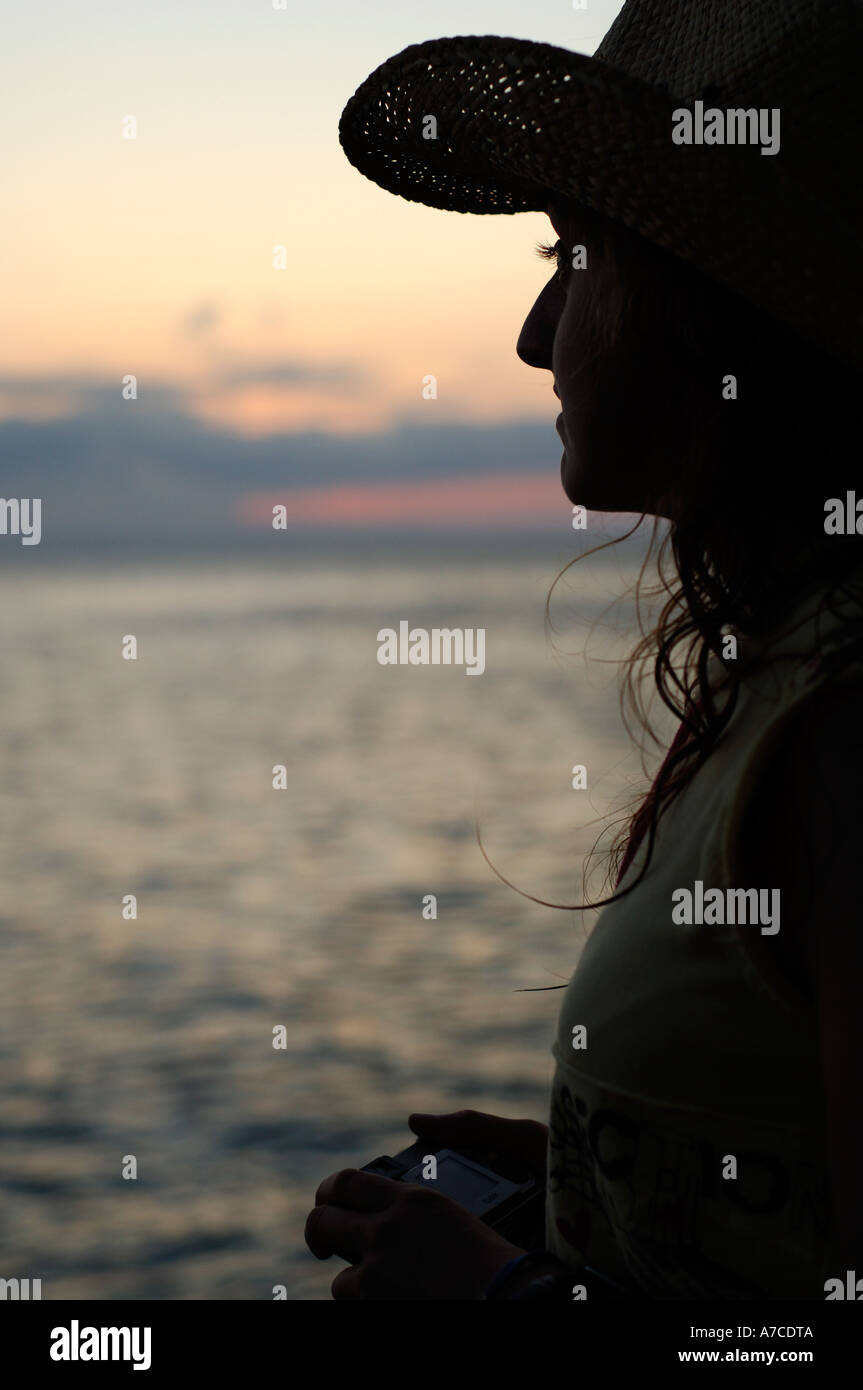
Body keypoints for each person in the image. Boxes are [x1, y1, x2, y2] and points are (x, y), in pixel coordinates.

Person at [304, 0, 863, 1298]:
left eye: (577, 254)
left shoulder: (844, 720)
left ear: (711, 301)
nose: (534, 334)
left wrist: (502, 1297)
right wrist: (593, 1176)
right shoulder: (783, 663)